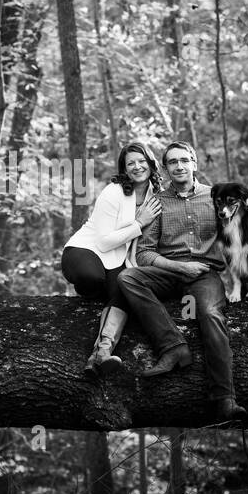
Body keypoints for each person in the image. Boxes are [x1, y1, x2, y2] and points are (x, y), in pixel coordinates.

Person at [116, 141, 246, 422]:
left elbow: (239, 238)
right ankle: (174, 347)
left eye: (184, 160)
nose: (179, 166)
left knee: (210, 313)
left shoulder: (216, 198)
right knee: (128, 278)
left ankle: (224, 399)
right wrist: (178, 267)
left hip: (204, 274)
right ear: (165, 169)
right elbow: (144, 253)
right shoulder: (158, 202)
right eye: (172, 162)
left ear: (194, 164)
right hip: (168, 271)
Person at [61, 143, 163, 378]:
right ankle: (92, 290)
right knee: (91, 278)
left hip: (119, 259)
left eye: (141, 161)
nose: (137, 167)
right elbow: (104, 241)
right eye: (130, 163)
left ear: (151, 163)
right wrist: (139, 223)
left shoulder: (156, 194)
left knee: (127, 289)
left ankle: (101, 354)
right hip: (87, 249)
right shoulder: (114, 192)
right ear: (124, 169)